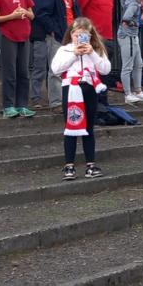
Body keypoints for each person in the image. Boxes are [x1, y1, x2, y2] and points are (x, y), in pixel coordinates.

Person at [50, 17, 109, 180]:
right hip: (71, 89)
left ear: (90, 36)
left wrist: (92, 53)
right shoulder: (64, 50)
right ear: (71, 34)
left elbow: (105, 69)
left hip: (89, 88)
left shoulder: (96, 49)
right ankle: (69, 165)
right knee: (71, 127)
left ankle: (90, 164)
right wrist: (74, 54)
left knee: (89, 127)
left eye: (85, 35)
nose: (80, 38)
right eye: (77, 35)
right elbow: (55, 69)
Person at [33, 0, 79, 111]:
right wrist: (53, 30)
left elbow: (74, 10)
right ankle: (56, 102)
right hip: (57, 34)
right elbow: (41, 12)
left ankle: (70, 99)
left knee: (71, 67)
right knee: (56, 68)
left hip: (72, 33)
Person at [77, 0, 117, 89]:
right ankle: (92, 101)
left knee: (104, 69)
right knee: (91, 68)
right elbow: (78, 9)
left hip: (107, 35)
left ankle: (102, 101)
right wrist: (82, 35)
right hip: (92, 36)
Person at [28, 0, 51, 107]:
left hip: (53, 35)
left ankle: (54, 97)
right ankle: (35, 97)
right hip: (39, 35)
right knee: (40, 67)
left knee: (54, 68)